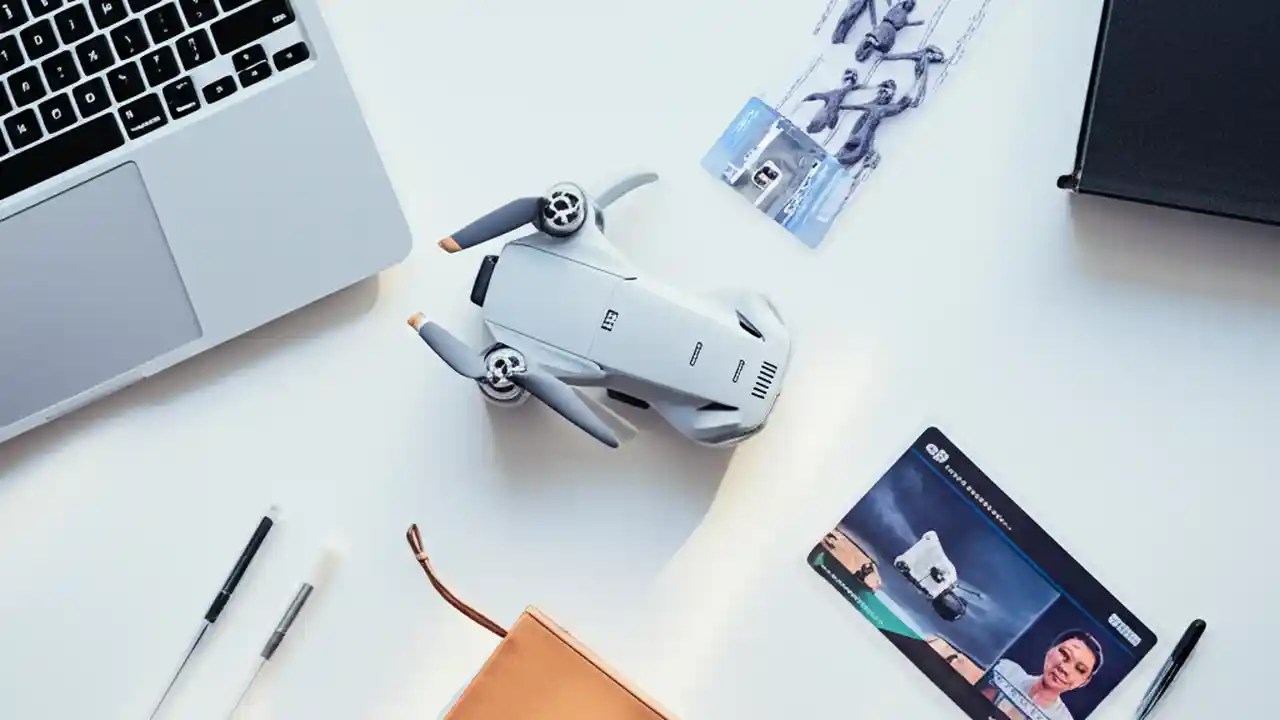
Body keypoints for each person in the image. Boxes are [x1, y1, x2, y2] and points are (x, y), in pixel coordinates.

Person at [981, 630, 1104, 720]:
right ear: (1050, 649)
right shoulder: (1007, 671)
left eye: (1080, 669)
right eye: (1064, 654)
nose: (1065, 668)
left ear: (1084, 681)